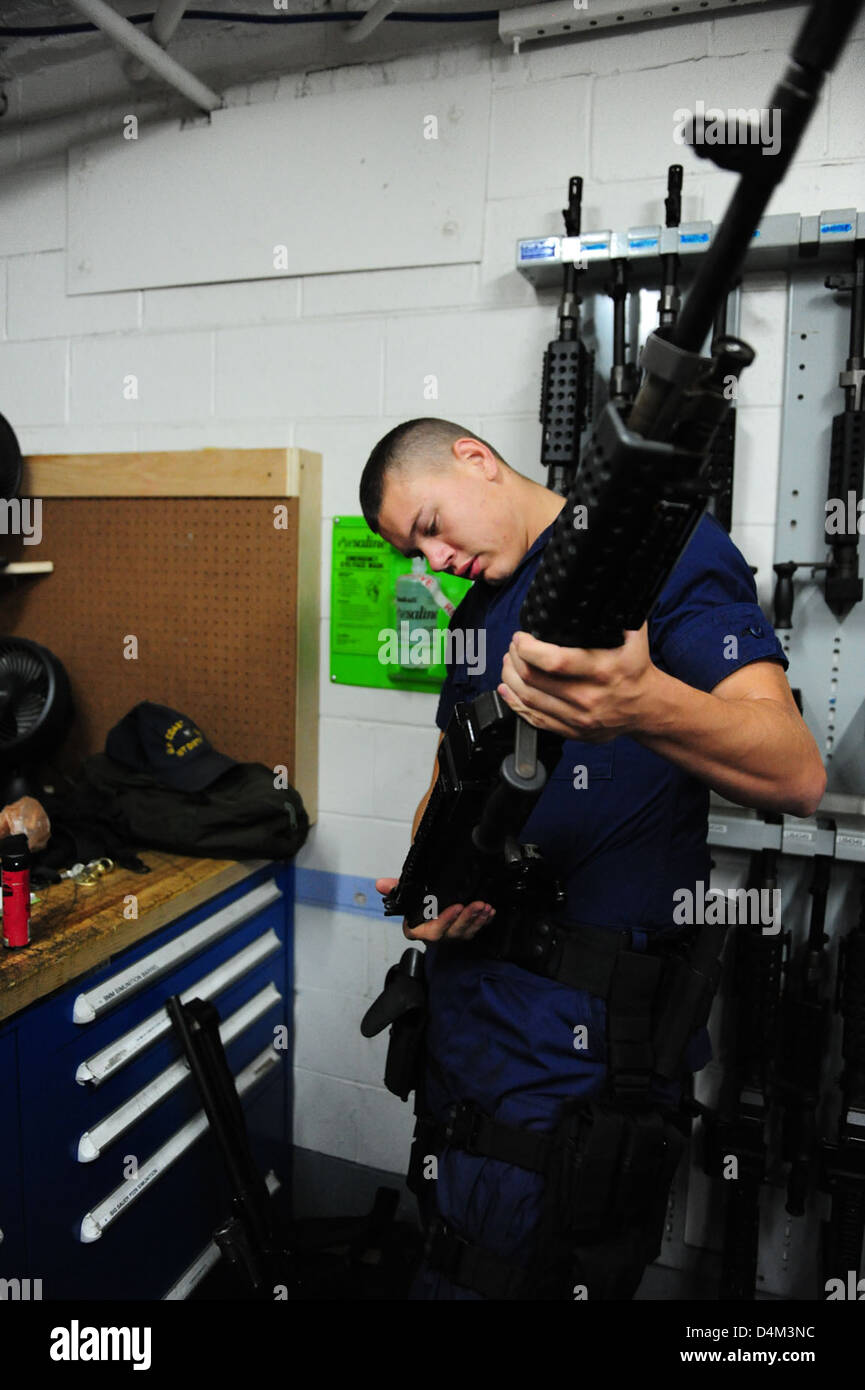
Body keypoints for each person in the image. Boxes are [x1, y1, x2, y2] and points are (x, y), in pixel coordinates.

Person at [361, 416, 825, 1301]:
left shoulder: (660, 554)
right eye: (409, 553)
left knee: (532, 1272)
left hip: (585, 1035)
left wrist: (644, 703)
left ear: (475, 460)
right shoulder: (477, 611)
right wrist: (436, 883)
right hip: (474, 1020)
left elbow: (794, 769)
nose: (431, 560)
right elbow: (447, 776)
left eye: (426, 527)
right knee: (457, 1253)